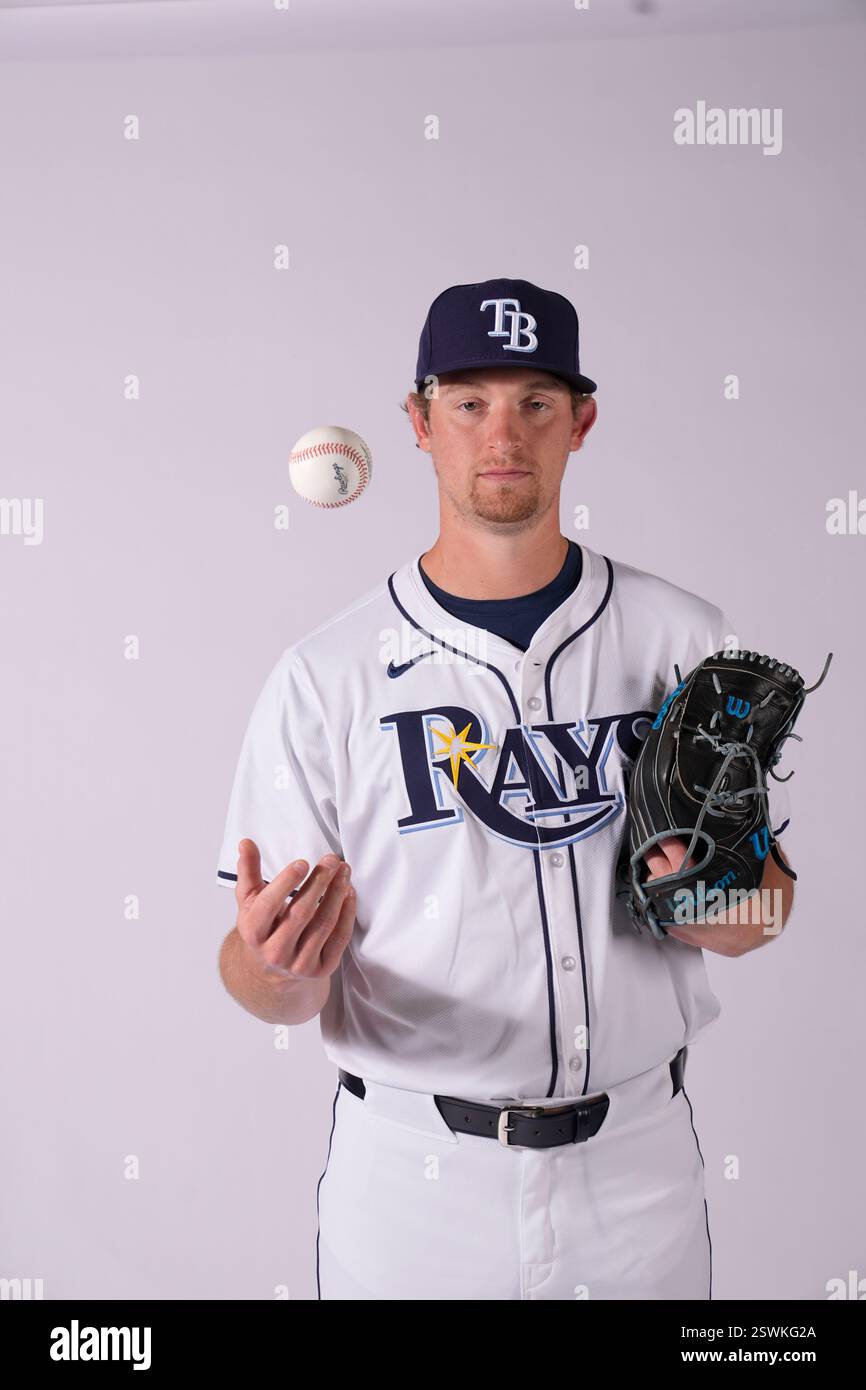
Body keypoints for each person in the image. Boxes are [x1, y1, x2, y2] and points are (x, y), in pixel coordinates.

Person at [215, 277, 794, 1300]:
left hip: (637, 1171)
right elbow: (267, 985)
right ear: (417, 419)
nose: (503, 434)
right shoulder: (326, 675)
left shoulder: (680, 639)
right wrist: (278, 965)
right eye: (469, 401)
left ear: (581, 421)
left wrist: (708, 898)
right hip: (411, 1186)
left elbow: (762, 912)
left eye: (534, 402)